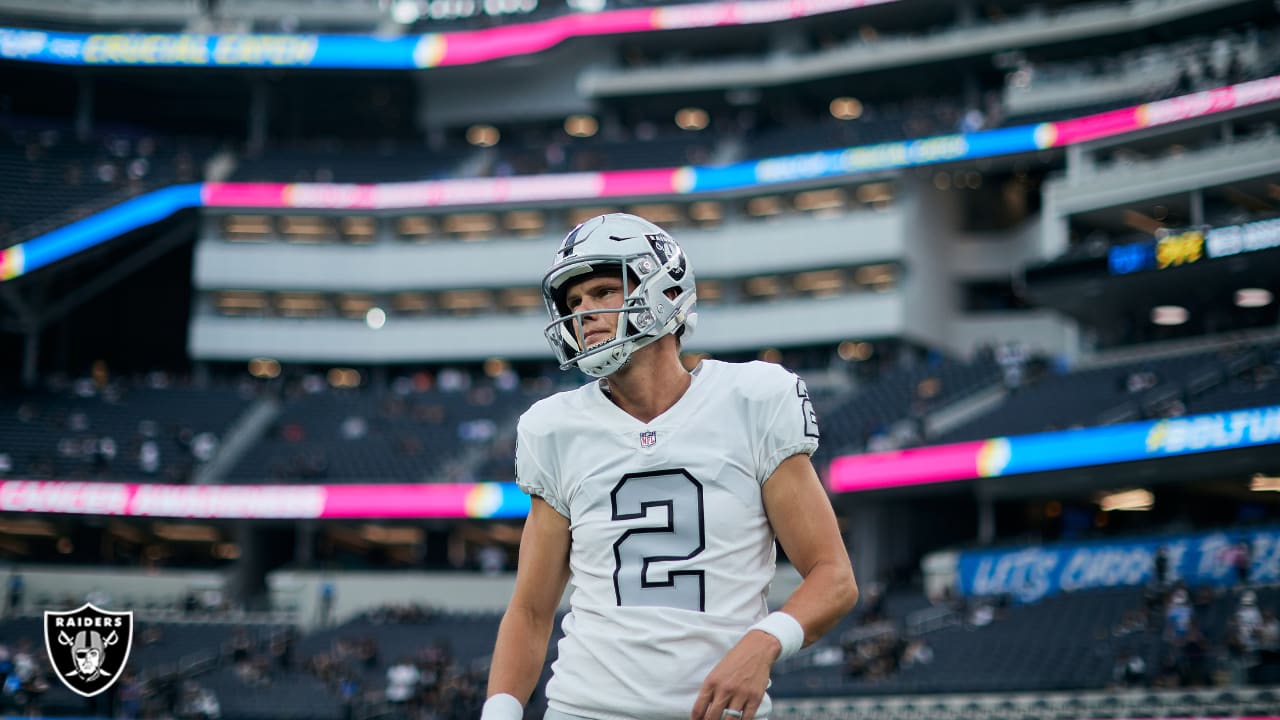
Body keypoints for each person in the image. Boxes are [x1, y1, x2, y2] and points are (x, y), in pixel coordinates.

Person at [483, 214, 858, 720]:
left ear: (664, 289)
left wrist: (765, 642)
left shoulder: (752, 400)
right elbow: (530, 612)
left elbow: (833, 577)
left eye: (601, 291)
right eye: (574, 302)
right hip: (584, 708)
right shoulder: (555, 428)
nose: (584, 313)